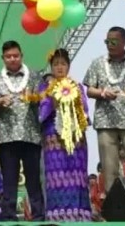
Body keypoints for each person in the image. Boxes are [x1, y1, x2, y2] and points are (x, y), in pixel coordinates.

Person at [84, 27, 125, 192]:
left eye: (114, 41)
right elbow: (89, 90)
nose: (110, 44)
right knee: (109, 168)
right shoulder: (97, 63)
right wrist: (102, 92)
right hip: (105, 121)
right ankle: (112, 209)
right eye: (107, 41)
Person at [0, 40, 45, 221]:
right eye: (8, 56)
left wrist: (34, 97)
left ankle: (38, 216)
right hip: (7, 136)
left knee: (33, 179)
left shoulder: (35, 76)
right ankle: (8, 216)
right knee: (9, 179)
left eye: (16, 55)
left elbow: (45, 100)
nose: (12, 59)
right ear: (3, 58)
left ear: (22, 56)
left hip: (31, 135)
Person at [37, 48, 91, 221]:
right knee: (56, 175)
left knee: (77, 173)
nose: (59, 67)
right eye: (56, 64)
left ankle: (79, 214)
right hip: (54, 137)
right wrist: (52, 99)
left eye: (63, 64)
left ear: (68, 66)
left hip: (76, 137)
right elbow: (41, 115)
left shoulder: (77, 86)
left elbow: (85, 110)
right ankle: (57, 215)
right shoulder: (45, 86)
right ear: (51, 67)